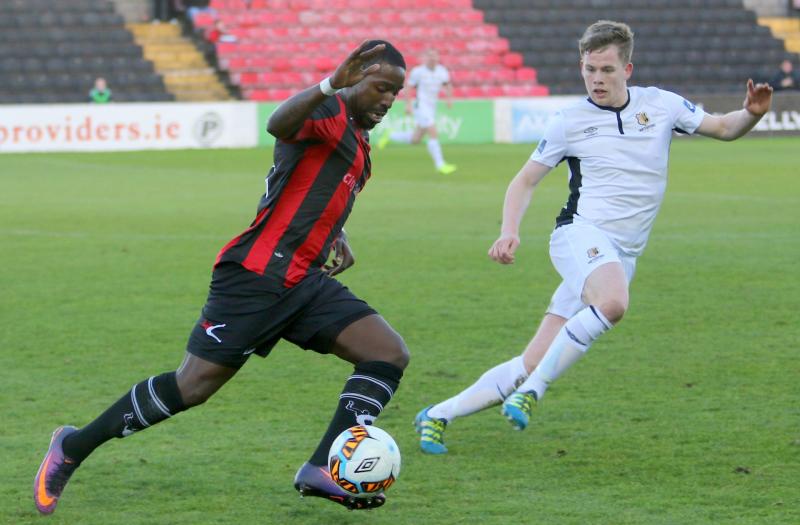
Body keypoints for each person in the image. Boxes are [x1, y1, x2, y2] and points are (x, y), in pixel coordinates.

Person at [34, 40, 409, 513]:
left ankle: (320, 468)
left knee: (387, 353)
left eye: (396, 93)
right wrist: (329, 83)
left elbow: (300, 189)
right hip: (254, 276)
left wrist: (337, 233)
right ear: (355, 79)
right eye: (381, 87)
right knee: (192, 387)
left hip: (304, 281)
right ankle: (72, 446)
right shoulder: (326, 109)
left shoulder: (359, 142)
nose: (388, 100)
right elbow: (278, 125)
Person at [414, 20, 773, 454]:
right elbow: (523, 182)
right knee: (613, 303)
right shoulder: (569, 122)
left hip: (622, 253)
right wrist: (509, 231)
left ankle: (436, 415)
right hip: (578, 235)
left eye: (606, 69)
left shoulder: (661, 105)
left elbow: (722, 127)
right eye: (589, 69)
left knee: (530, 362)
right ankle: (532, 394)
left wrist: (751, 113)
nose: (597, 79)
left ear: (628, 69)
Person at [377, 48, 457, 175]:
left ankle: (390, 135)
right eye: (430, 56)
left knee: (416, 139)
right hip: (421, 106)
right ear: (425, 58)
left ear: (438, 58)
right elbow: (408, 87)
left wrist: (449, 99)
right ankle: (440, 164)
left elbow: (447, 84)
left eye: (435, 56)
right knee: (433, 131)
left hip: (432, 107)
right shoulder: (418, 72)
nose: (433, 58)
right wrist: (408, 104)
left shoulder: (442, 71)